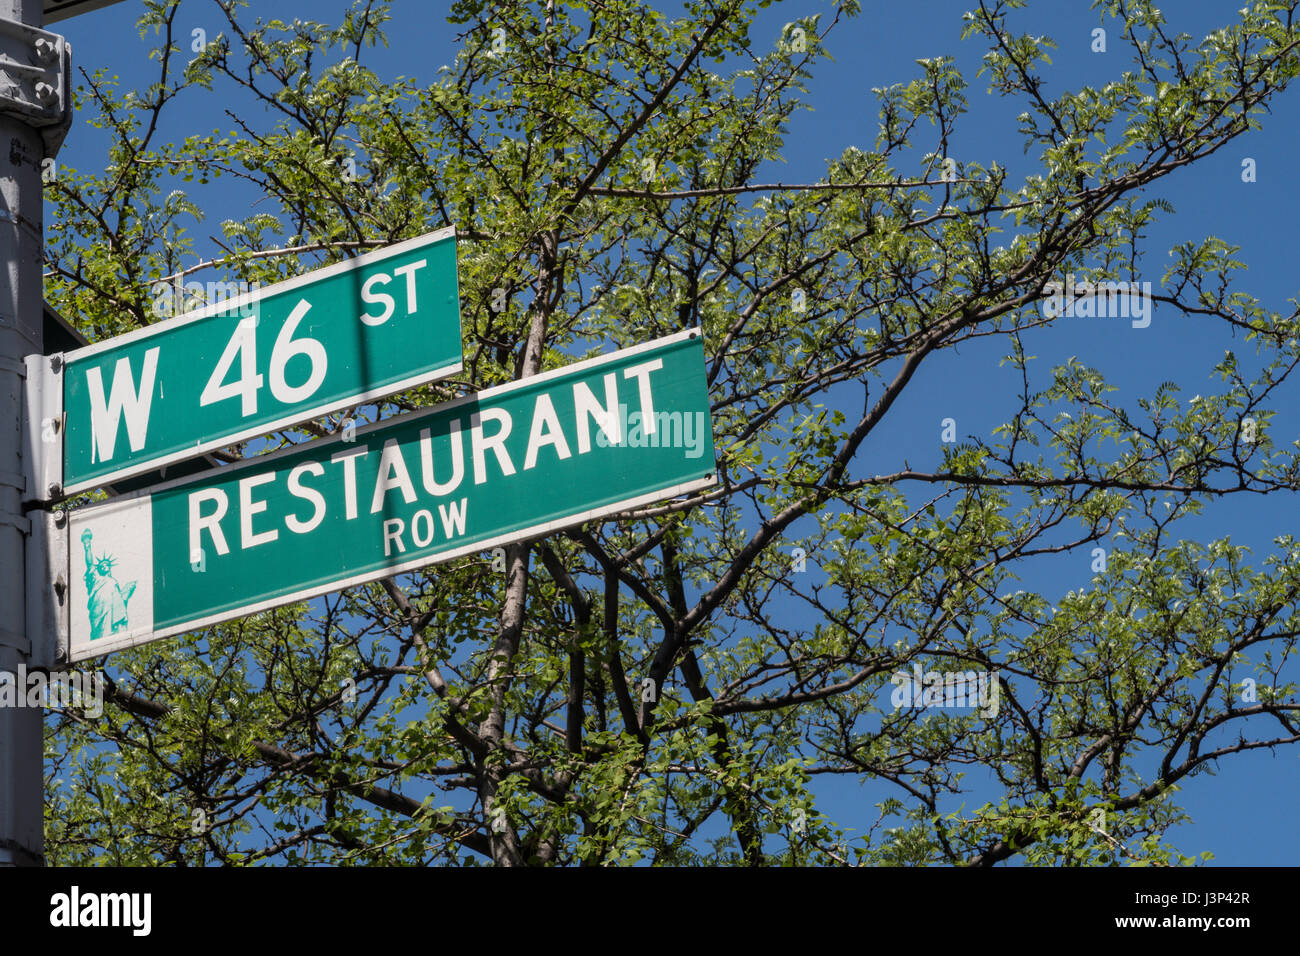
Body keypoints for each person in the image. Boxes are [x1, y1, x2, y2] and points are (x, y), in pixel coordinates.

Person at [81, 528, 136, 641]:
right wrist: (87, 546)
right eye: (102, 564)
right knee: (98, 632)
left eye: (107, 564)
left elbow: (120, 601)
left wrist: (127, 590)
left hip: (111, 611)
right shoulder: (95, 577)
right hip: (97, 607)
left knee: (113, 633)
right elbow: (90, 563)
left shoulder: (113, 581)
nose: (105, 566)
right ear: (99, 567)